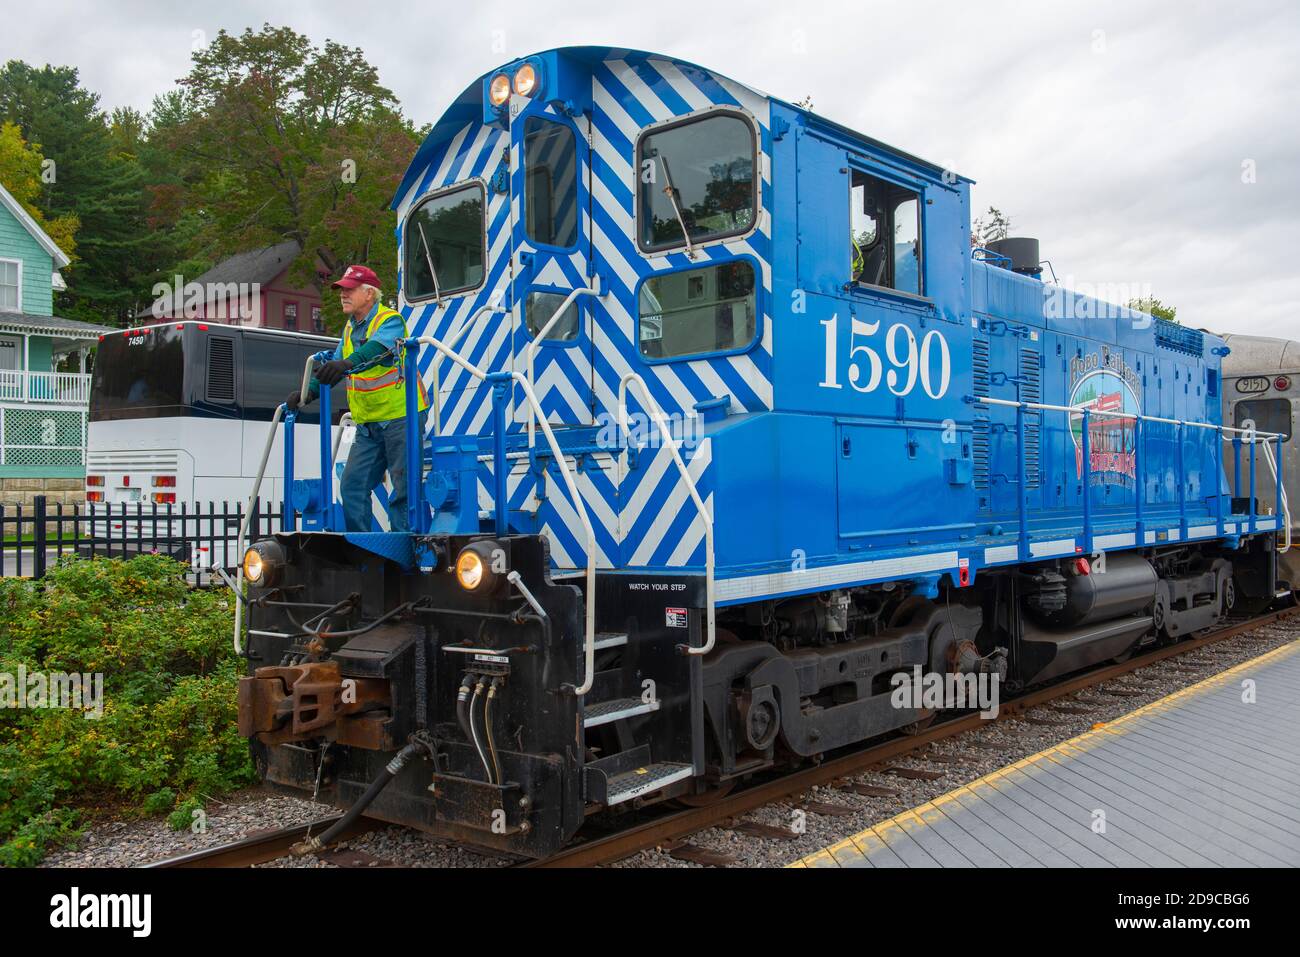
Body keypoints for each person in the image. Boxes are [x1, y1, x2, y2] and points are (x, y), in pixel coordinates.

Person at [287, 265, 428, 532]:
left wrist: (347, 363)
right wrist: (307, 393)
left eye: (349, 290)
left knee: (403, 490)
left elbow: (376, 350)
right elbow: (336, 365)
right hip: (368, 424)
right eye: (342, 290)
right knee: (352, 485)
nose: (343, 295)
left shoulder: (390, 320)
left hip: (401, 416)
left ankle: (404, 551)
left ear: (369, 293)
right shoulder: (350, 329)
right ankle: (365, 550)